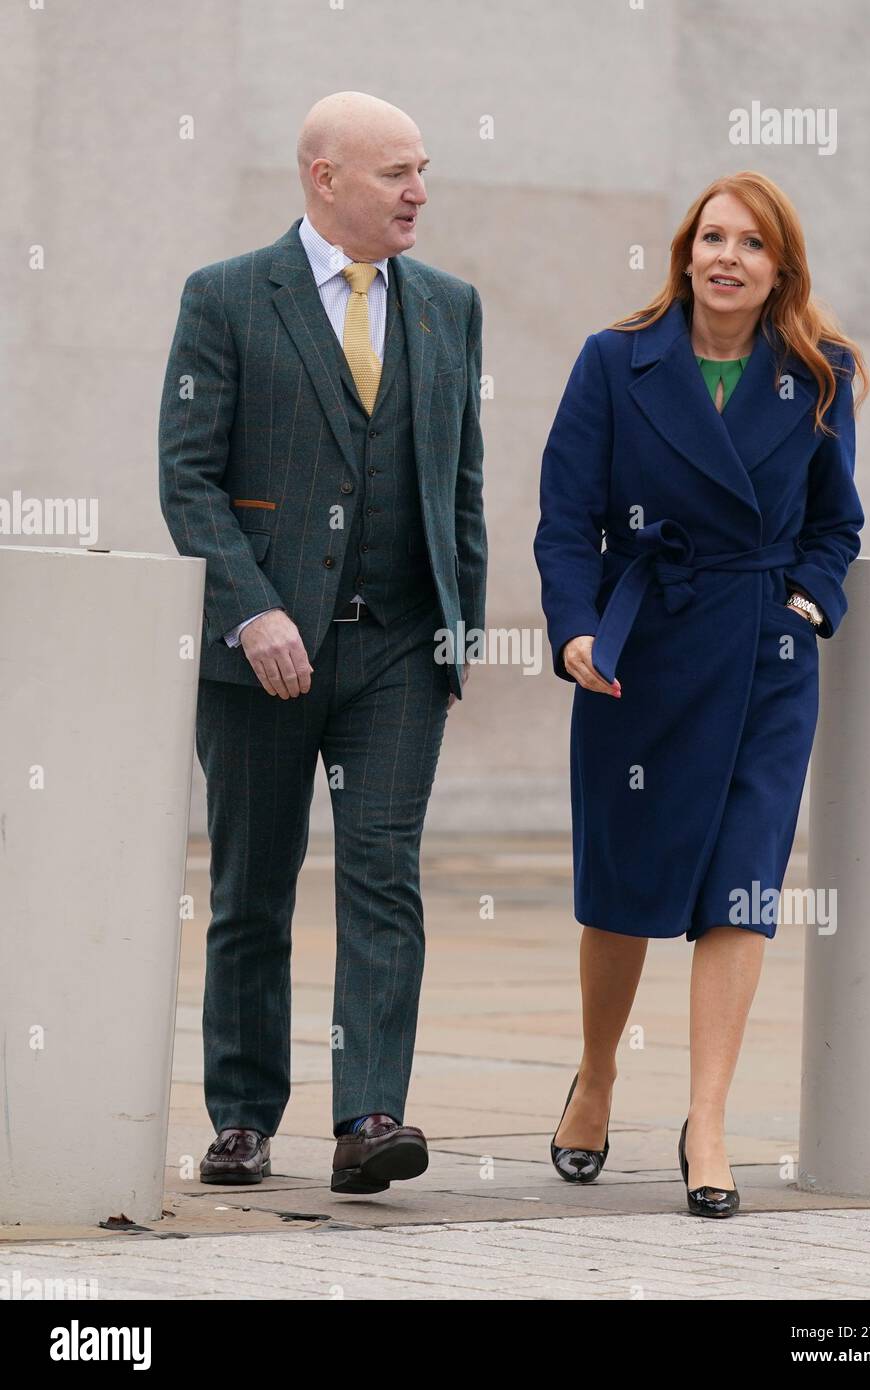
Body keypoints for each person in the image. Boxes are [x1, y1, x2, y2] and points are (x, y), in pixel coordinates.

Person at [158, 91, 486, 1195]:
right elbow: (188, 477)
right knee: (253, 885)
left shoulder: (448, 307)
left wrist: (460, 629)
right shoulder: (225, 296)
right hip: (260, 653)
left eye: (423, 170)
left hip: (397, 647)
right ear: (324, 176)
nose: (418, 192)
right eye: (396, 172)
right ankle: (243, 1118)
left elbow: (461, 481)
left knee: (385, 876)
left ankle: (371, 1116)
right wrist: (250, 610)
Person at [533, 170, 868, 1217]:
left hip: (766, 662)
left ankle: (708, 1121)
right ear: (685, 254)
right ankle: (597, 1076)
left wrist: (806, 607)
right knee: (624, 882)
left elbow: (835, 525)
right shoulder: (614, 360)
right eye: (712, 237)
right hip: (642, 652)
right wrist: (577, 628)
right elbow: (565, 519)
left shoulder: (819, 372)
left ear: (780, 269)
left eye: (752, 244)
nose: (727, 257)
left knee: (742, 886)